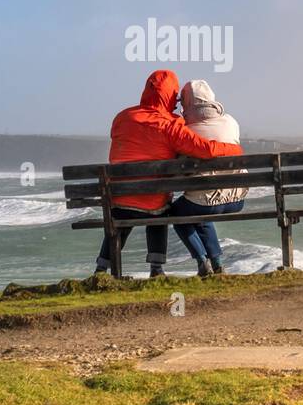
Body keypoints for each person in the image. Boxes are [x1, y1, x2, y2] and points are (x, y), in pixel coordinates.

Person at [94, 70, 242, 278]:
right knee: (159, 209)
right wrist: (235, 151)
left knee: (124, 211)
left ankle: (102, 268)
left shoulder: (122, 117)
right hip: (153, 204)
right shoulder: (171, 124)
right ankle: (156, 269)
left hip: (119, 200)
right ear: (170, 95)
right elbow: (206, 149)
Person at [170, 79, 247, 276]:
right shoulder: (231, 123)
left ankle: (202, 262)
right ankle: (218, 263)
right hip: (237, 200)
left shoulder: (188, 133)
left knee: (178, 212)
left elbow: (180, 170)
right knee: (200, 205)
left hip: (205, 201)